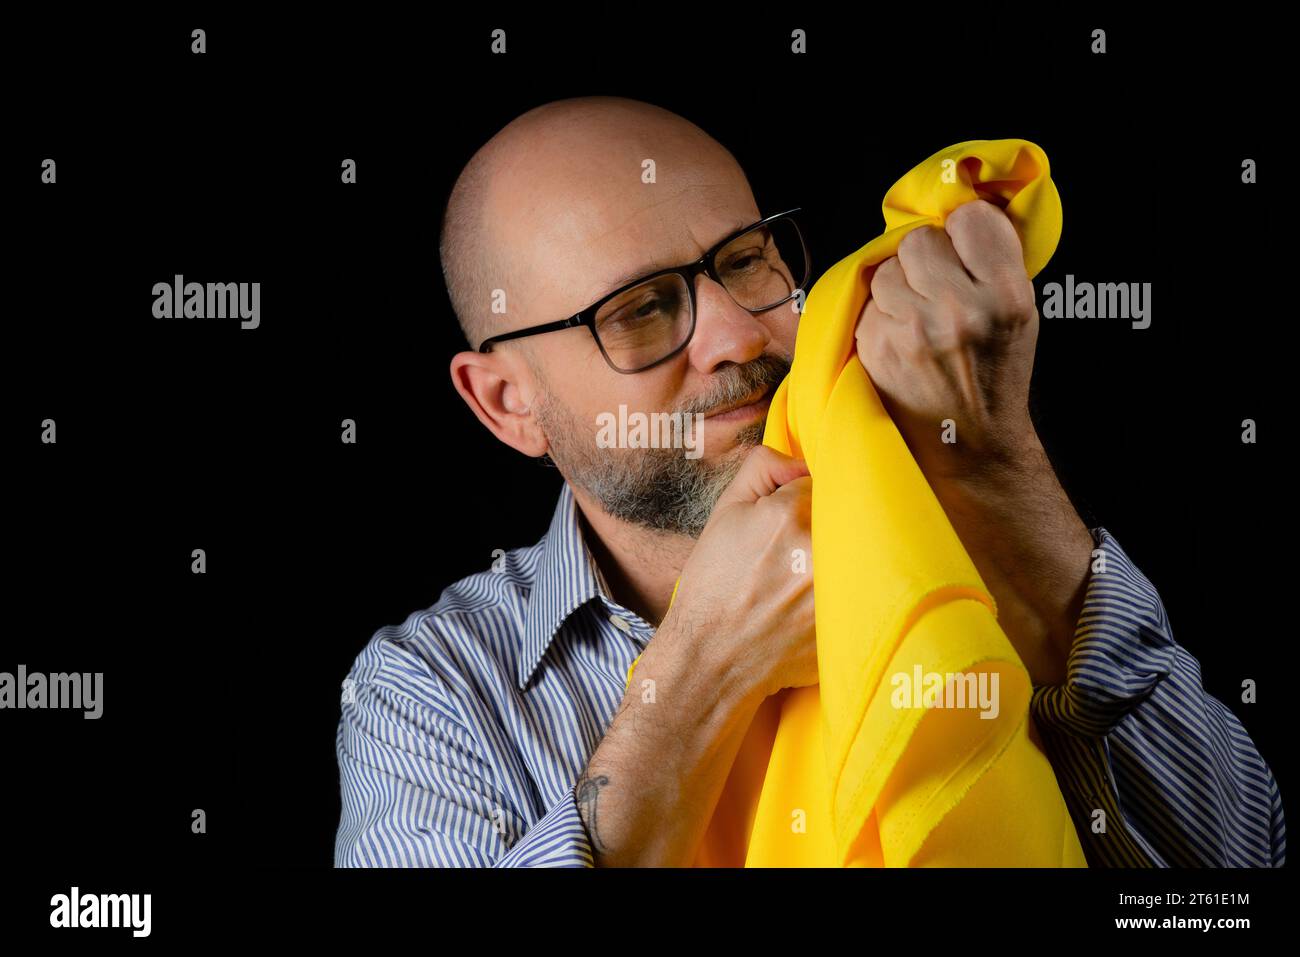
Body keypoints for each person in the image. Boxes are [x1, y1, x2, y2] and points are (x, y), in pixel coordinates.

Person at [334, 96, 1284, 867]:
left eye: (746, 261)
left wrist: (992, 476)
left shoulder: (959, 518)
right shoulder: (432, 692)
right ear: (507, 403)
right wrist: (704, 669)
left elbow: (1234, 873)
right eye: (640, 310)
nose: (741, 335)